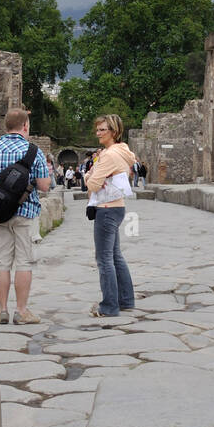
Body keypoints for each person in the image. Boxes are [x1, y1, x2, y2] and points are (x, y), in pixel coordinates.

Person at [0, 108, 50, 324]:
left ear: (5, 126)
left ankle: (1, 310)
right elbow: (45, 186)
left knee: (1, 262)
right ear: (25, 126)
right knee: (24, 263)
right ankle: (21, 311)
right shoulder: (33, 151)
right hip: (26, 213)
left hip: (0, 215)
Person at [85, 114, 138, 317]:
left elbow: (92, 184)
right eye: (97, 129)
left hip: (106, 209)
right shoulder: (123, 151)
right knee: (115, 256)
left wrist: (89, 175)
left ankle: (109, 306)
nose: (98, 133)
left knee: (104, 258)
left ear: (114, 132)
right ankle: (126, 300)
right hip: (117, 207)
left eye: (103, 130)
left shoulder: (108, 155)